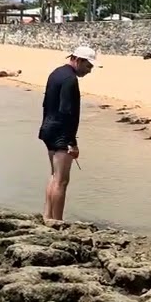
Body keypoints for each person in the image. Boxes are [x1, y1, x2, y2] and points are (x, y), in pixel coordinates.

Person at [38, 45, 98, 222]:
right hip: (61, 133)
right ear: (77, 60)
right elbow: (66, 111)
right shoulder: (70, 79)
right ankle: (57, 221)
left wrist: (47, 127)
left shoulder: (56, 73)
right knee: (61, 181)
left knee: (54, 176)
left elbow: (46, 104)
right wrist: (72, 142)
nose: (89, 71)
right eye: (88, 66)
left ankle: (47, 217)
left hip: (48, 128)